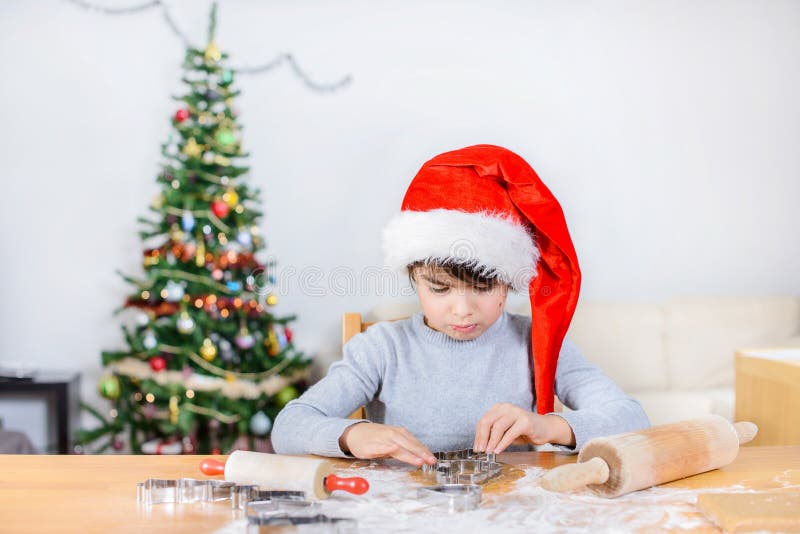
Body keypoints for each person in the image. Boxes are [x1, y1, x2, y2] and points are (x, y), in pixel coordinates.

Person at [271, 144, 649, 466]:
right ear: (414, 280)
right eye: (440, 289)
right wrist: (352, 435)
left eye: (482, 288)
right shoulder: (383, 349)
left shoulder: (538, 345)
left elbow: (632, 417)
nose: (462, 309)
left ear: (509, 282)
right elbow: (289, 426)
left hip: (509, 513)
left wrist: (547, 426)